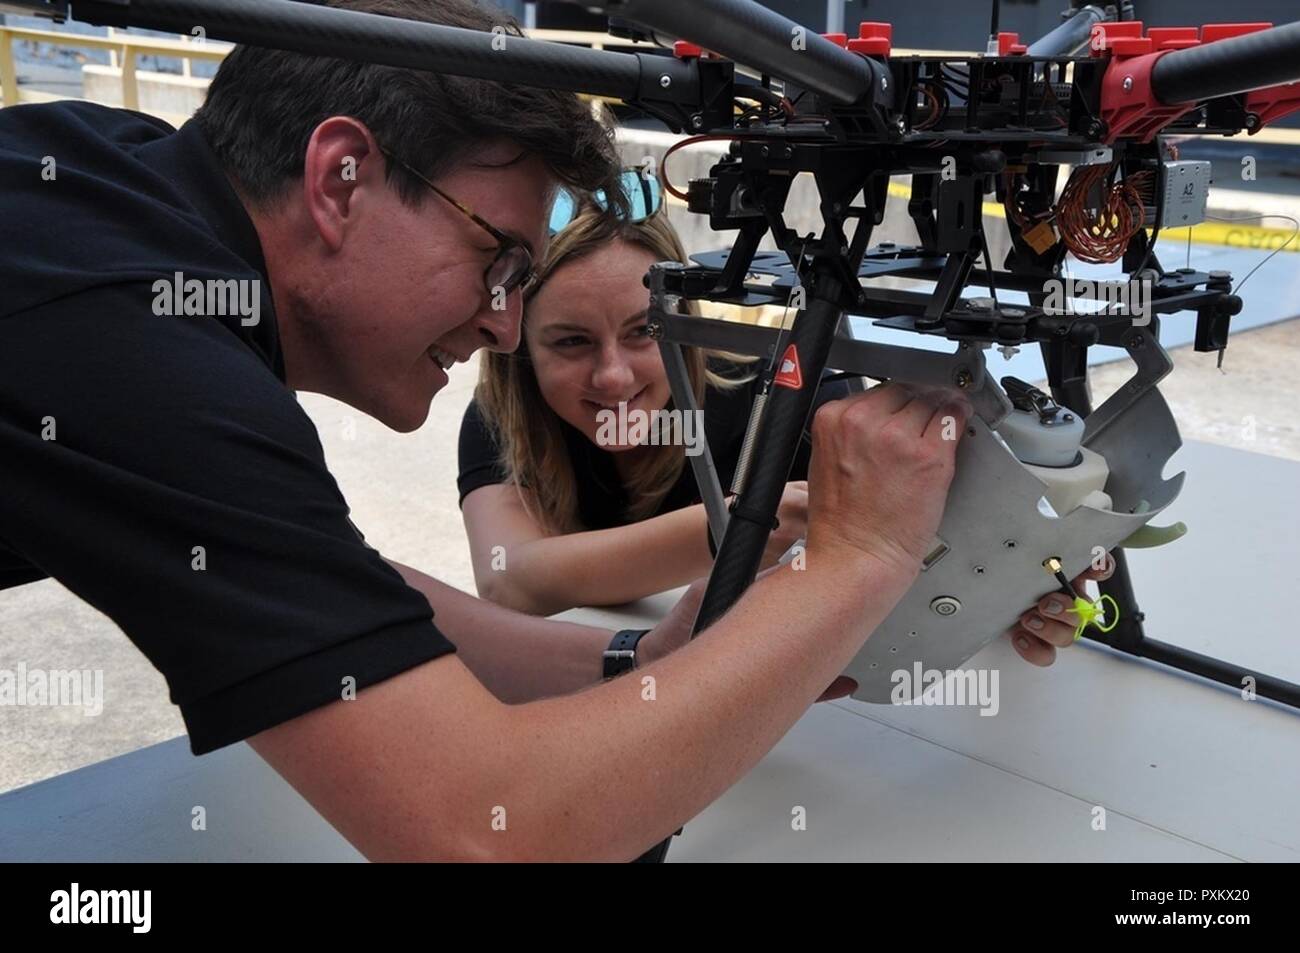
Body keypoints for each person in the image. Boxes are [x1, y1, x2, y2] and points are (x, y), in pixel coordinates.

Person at [0, 0, 1104, 861]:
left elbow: (315, 579)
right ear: (342, 179)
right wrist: (860, 559)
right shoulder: (124, 322)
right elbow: (487, 830)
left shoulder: (116, 204)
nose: (502, 321)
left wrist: (635, 656)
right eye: (501, 260)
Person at [458, 200, 854, 614]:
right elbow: (506, 579)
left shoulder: (791, 400)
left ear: (684, 320)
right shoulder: (501, 417)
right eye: (572, 341)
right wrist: (740, 527)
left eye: (643, 331)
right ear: (518, 349)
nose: (613, 377)